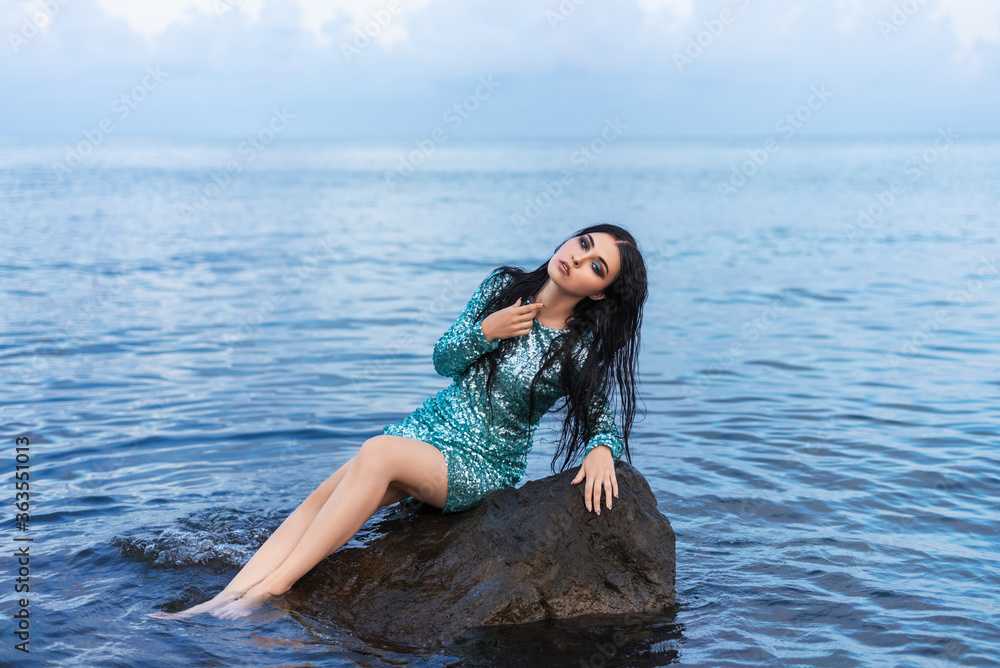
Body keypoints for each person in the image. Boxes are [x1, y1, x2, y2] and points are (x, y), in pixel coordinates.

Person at [150, 223, 647, 620]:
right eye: (583, 244)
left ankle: (269, 592)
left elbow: (601, 416)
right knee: (323, 497)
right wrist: (486, 332)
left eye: (595, 266)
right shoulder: (503, 286)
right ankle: (223, 599)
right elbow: (443, 360)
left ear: (599, 293)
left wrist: (602, 448)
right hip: (428, 429)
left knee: (376, 452)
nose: (578, 258)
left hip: (482, 462)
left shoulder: (575, 349)